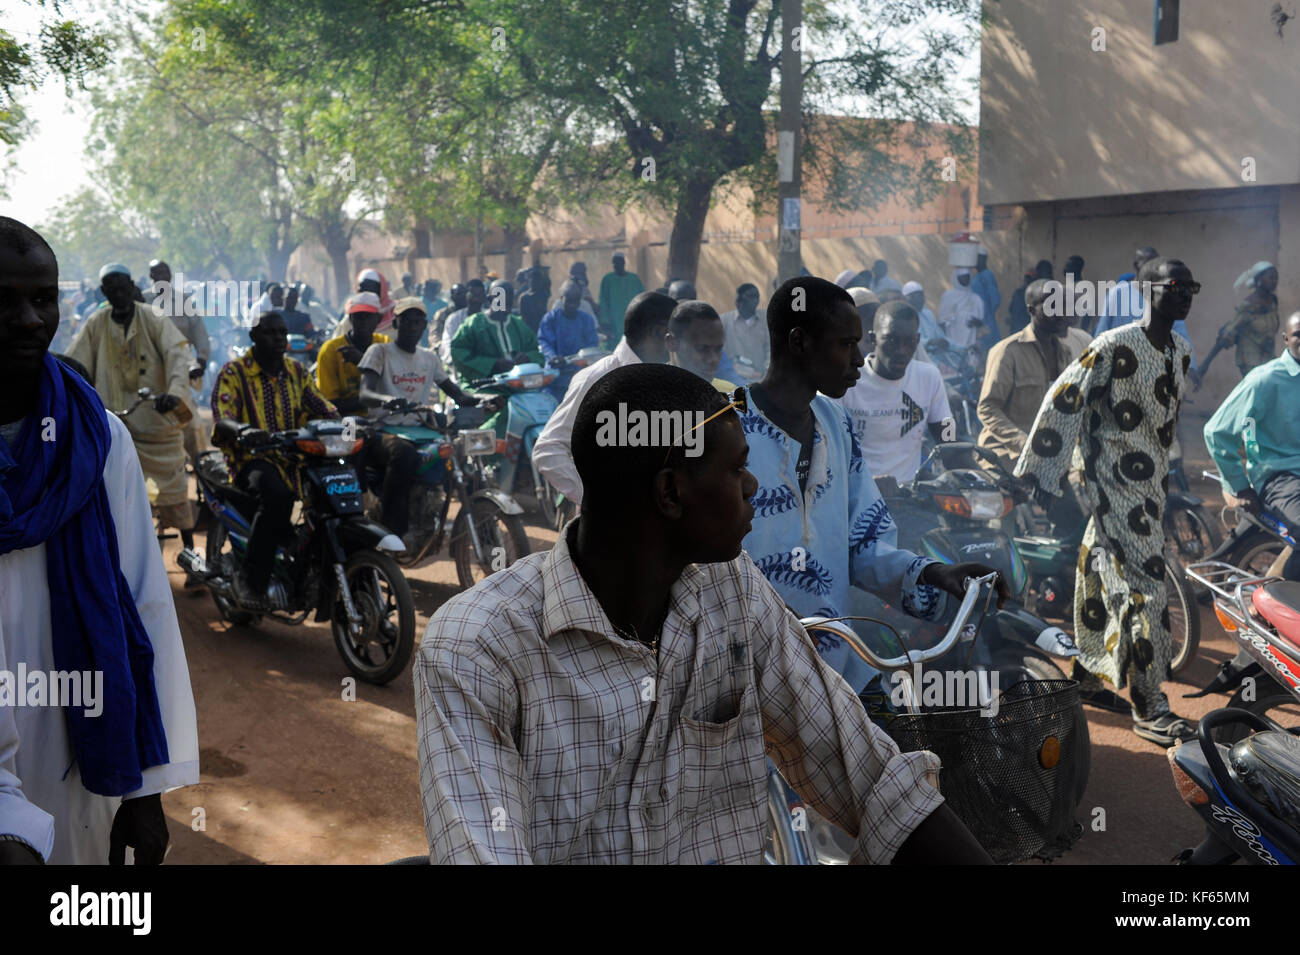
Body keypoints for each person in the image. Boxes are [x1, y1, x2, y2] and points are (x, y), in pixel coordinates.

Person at [415, 360, 993, 864]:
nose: (752, 484)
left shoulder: (731, 590)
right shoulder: (479, 648)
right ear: (670, 494)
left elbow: (871, 779)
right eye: (735, 467)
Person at [0, 216, 199, 864]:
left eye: (43, 297)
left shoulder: (96, 439)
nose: (31, 319)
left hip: (75, 749)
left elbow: (142, 605)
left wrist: (144, 788)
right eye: (6, 300)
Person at [739, 277, 1007, 697]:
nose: (860, 359)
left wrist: (935, 572)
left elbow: (864, 545)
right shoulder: (727, 429)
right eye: (846, 344)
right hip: (750, 679)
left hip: (837, 669)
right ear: (799, 342)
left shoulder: (836, 424)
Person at [1015, 257, 1201, 746]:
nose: (1183, 294)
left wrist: (1170, 470)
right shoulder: (1113, 346)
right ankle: (1150, 703)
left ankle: (1084, 677)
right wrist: (1043, 472)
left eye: (1190, 287)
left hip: (1152, 489)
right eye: (1173, 285)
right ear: (1146, 290)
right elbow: (1064, 398)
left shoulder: (1180, 352)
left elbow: (1167, 421)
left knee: (1098, 578)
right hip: (1112, 488)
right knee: (1147, 591)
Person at [211, 310, 339, 610]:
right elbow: (222, 419)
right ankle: (252, 582)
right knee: (278, 499)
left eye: (282, 333)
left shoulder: (297, 372)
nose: (280, 339)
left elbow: (324, 408)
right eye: (271, 332)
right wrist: (245, 430)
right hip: (250, 459)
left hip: (294, 457)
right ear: (254, 336)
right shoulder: (234, 372)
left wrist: (347, 424)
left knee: (332, 495)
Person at [67, 263, 198, 551]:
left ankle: (191, 556)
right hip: (115, 425)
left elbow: (178, 356)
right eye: (111, 289)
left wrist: (175, 395)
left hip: (157, 423)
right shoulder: (96, 323)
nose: (118, 293)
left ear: (131, 286)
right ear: (104, 292)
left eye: (122, 286)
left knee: (174, 494)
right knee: (116, 493)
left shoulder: (154, 318)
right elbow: (77, 362)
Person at [358, 298, 497, 539]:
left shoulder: (429, 358)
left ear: (424, 326)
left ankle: (482, 525)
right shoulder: (379, 352)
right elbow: (365, 393)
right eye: (407, 321)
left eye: (417, 322)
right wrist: (386, 400)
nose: (412, 326)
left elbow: (458, 395)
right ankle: (394, 532)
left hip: (422, 430)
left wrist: (485, 399)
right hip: (384, 429)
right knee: (403, 454)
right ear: (396, 323)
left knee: (462, 450)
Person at [534, 291, 675, 509]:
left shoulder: (669, 375)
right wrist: (596, 502)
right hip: (611, 532)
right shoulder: (598, 379)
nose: (682, 343)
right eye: (677, 334)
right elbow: (548, 448)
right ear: (658, 333)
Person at [1204, 311, 1300, 580]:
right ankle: (1278, 603)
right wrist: (1240, 485)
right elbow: (1217, 431)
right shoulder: (1265, 379)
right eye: (1298, 335)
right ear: (1285, 339)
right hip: (1281, 478)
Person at [839, 300, 965, 487]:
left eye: (909, 342)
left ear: (917, 340)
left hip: (910, 498)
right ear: (873, 339)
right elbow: (827, 453)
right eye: (891, 340)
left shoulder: (929, 377)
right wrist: (865, 483)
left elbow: (949, 442)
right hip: (856, 495)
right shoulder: (846, 382)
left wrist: (983, 477)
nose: (901, 350)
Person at [1095, 247, 1199, 382]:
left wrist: (1191, 366)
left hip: (1152, 370)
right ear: (1136, 265)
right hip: (1118, 368)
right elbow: (1102, 330)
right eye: (1147, 263)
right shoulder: (1118, 293)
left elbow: (1180, 333)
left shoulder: (1165, 297)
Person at [450, 279, 543, 389]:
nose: (505, 306)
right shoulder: (472, 325)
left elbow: (536, 353)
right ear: (489, 299)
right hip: (484, 389)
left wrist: (527, 358)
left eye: (508, 302)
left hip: (519, 388)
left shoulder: (519, 325)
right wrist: (492, 364)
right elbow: (459, 354)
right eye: (500, 302)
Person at [1199, 261, 1280, 384]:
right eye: (1271, 277)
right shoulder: (1248, 307)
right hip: (1250, 362)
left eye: (1276, 278)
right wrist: (1205, 364)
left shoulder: (1273, 302)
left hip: (1268, 360)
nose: (1274, 281)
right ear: (1259, 279)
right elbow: (1226, 336)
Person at [316, 292, 391, 414]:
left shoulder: (385, 344)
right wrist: (371, 399)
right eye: (358, 316)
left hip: (382, 418)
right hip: (346, 421)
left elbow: (395, 382)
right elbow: (329, 404)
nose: (363, 321)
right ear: (350, 318)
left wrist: (363, 361)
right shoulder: (331, 350)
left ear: (379, 319)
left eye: (368, 316)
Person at [537, 280, 600, 399]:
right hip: (555, 377)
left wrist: (581, 359)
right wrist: (553, 357)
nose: (572, 305)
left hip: (580, 375)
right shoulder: (550, 319)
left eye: (575, 301)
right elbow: (544, 341)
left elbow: (592, 345)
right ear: (561, 298)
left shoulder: (587, 320)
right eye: (569, 301)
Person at [666, 300, 737, 392]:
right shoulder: (649, 390)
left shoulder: (728, 394)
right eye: (702, 349)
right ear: (671, 343)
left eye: (718, 349)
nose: (713, 359)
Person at [719, 283, 769, 382]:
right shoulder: (724, 321)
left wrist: (767, 373)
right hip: (733, 381)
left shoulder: (766, 319)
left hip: (762, 380)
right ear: (738, 301)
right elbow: (719, 352)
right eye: (750, 297)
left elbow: (771, 349)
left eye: (757, 297)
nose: (755, 300)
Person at [438, 279, 486, 375]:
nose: (475, 299)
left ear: (484, 297)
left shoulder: (489, 318)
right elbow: (447, 344)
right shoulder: (454, 319)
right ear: (466, 296)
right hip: (459, 369)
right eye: (472, 295)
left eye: (479, 295)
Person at [597, 253, 644, 344]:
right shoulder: (607, 279)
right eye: (614, 263)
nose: (616, 265)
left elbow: (642, 297)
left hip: (633, 318)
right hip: (614, 320)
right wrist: (605, 321)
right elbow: (603, 301)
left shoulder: (634, 279)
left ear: (623, 263)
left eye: (618, 262)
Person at [937, 268, 986, 351]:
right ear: (956, 278)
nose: (965, 279)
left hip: (970, 341)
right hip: (951, 339)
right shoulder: (948, 297)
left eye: (967, 277)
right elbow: (942, 321)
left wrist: (977, 322)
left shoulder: (976, 299)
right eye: (962, 277)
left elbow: (981, 324)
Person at [901, 281, 944, 354]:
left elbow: (940, 335)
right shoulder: (903, 317)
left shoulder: (928, 313)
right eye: (916, 296)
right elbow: (907, 340)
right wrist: (929, 342)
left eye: (921, 296)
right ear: (907, 299)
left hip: (936, 354)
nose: (921, 299)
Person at [970, 246, 1001, 342]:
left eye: (976, 257)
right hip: (977, 319)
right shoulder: (976, 277)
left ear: (982, 259)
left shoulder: (987, 276)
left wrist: (987, 314)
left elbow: (995, 299)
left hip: (986, 320)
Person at [517, 266, 550, 333]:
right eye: (533, 280)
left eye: (538, 280)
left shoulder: (543, 295)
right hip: (528, 329)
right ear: (529, 282)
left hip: (541, 328)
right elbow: (523, 316)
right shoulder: (524, 297)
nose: (535, 283)